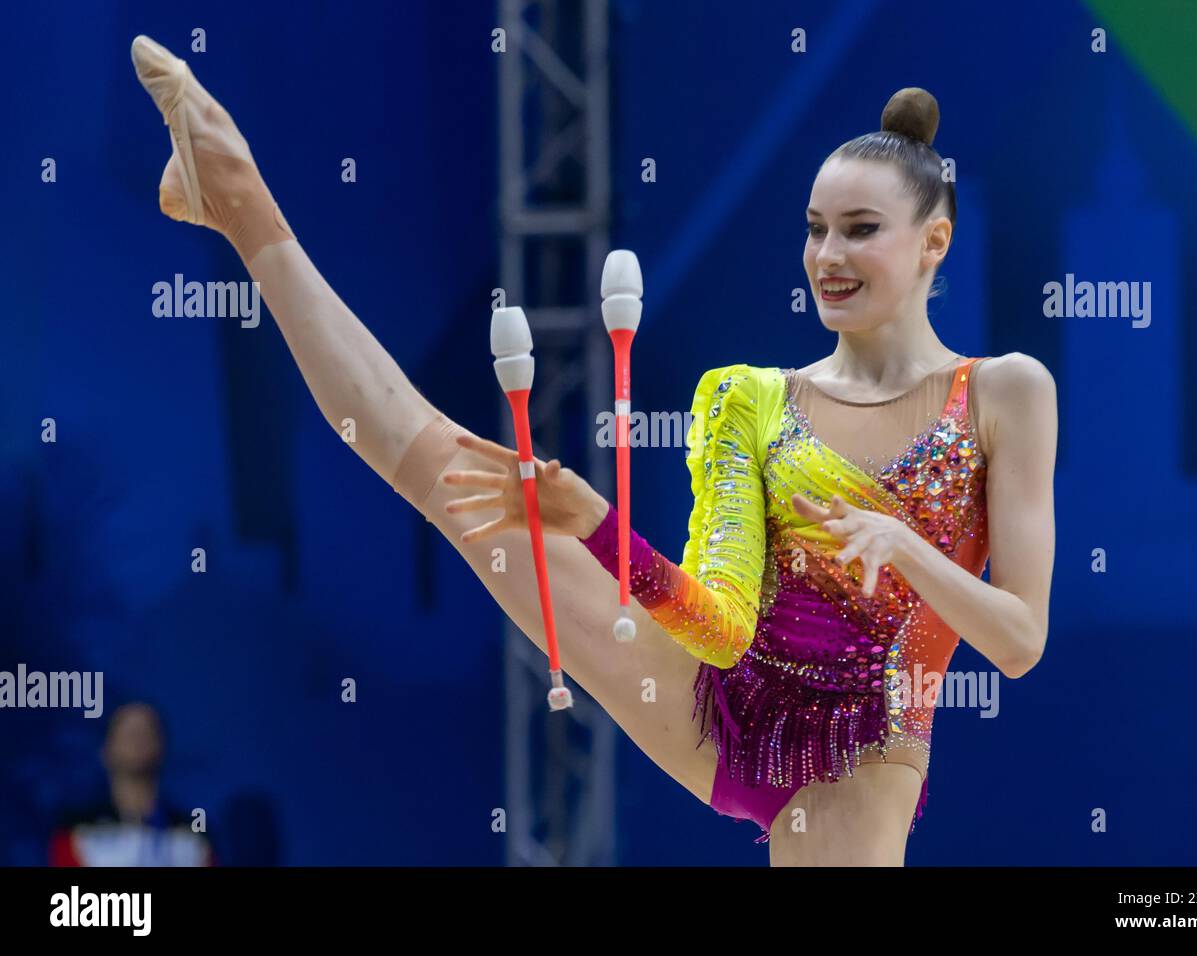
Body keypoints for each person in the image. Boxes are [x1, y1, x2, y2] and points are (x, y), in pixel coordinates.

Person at [130, 35, 1056, 865]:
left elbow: (1019, 641)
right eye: (815, 228)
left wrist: (904, 548)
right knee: (455, 480)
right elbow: (723, 625)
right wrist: (601, 528)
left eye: (860, 231)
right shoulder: (753, 399)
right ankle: (240, 201)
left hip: (862, 750)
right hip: (715, 702)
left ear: (934, 241)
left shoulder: (1005, 393)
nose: (827, 255)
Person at [49, 702, 215, 866]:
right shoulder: (76, 832)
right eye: (129, 733)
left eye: (146, 732)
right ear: (106, 750)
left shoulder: (193, 835)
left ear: (163, 747)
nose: (137, 741)